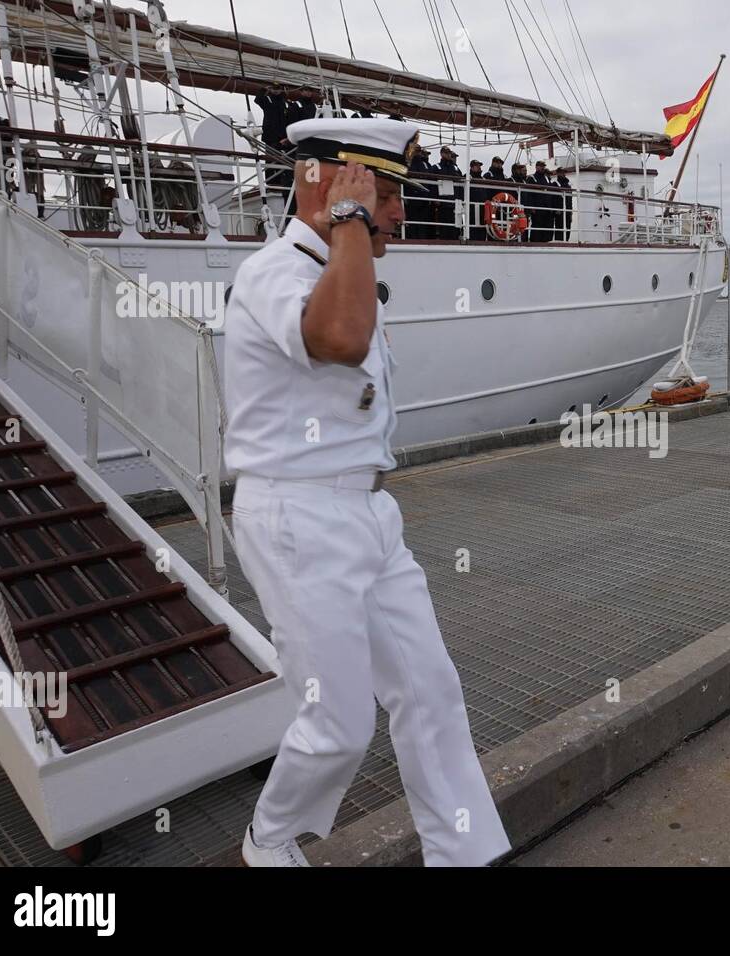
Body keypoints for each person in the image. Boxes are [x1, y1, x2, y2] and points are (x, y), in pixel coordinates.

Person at [223, 117, 511, 867]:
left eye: (392, 196)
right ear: (325, 181)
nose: (396, 212)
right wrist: (348, 218)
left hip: (368, 513)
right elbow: (343, 338)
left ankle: (467, 854)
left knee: (431, 691)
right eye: (381, 191)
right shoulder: (274, 272)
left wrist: (350, 224)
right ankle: (270, 839)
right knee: (338, 725)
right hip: (296, 514)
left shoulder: (339, 265)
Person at [434, 145, 463, 239]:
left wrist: (461, 199)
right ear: (441, 154)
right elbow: (432, 185)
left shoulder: (455, 168)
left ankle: (454, 240)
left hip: (454, 201)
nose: (448, 155)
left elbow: (461, 184)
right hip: (443, 202)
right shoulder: (436, 167)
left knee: (455, 226)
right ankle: (444, 241)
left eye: (449, 153)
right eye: (446, 153)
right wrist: (435, 198)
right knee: (444, 226)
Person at [528, 160, 556, 242]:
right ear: (536, 167)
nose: (542, 167)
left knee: (548, 227)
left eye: (543, 166)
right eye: (540, 166)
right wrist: (531, 206)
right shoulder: (532, 178)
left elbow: (551, 192)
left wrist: (552, 207)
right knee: (537, 227)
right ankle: (535, 243)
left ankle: (546, 243)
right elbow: (529, 194)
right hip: (537, 207)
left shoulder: (547, 179)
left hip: (547, 208)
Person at [554, 168, 573, 241]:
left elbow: (570, 199)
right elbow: (553, 198)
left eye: (564, 172)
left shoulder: (568, 185)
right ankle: (559, 243)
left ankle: (566, 241)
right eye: (562, 172)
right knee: (559, 228)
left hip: (567, 210)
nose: (564, 174)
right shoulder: (555, 184)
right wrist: (556, 209)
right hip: (559, 211)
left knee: (568, 228)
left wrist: (571, 212)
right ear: (558, 173)